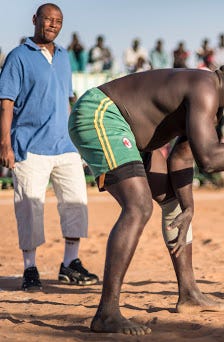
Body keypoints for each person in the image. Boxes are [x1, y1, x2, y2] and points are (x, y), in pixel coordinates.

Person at [68, 52, 224, 335]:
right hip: (100, 113)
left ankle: (188, 295)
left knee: (174, 208)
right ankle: (107, 313)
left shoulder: (212, 100)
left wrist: (188, 206)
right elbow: (210, 159)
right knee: (138, 207)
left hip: (131, 132)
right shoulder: (205, 87)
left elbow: (181, 158)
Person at [0, 3, 98, 292]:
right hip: (29, 148)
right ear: (35, 20)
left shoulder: (66, 57)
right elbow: (5, 102)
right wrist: (5, 143)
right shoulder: (18, 57)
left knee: (76, 204)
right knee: (29, 208)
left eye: (58, 21)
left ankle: (70, 263)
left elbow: (67, 102)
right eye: (48, 19)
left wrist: (79, 142)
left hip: (65, 146)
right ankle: (30, 267)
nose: (53, 24)